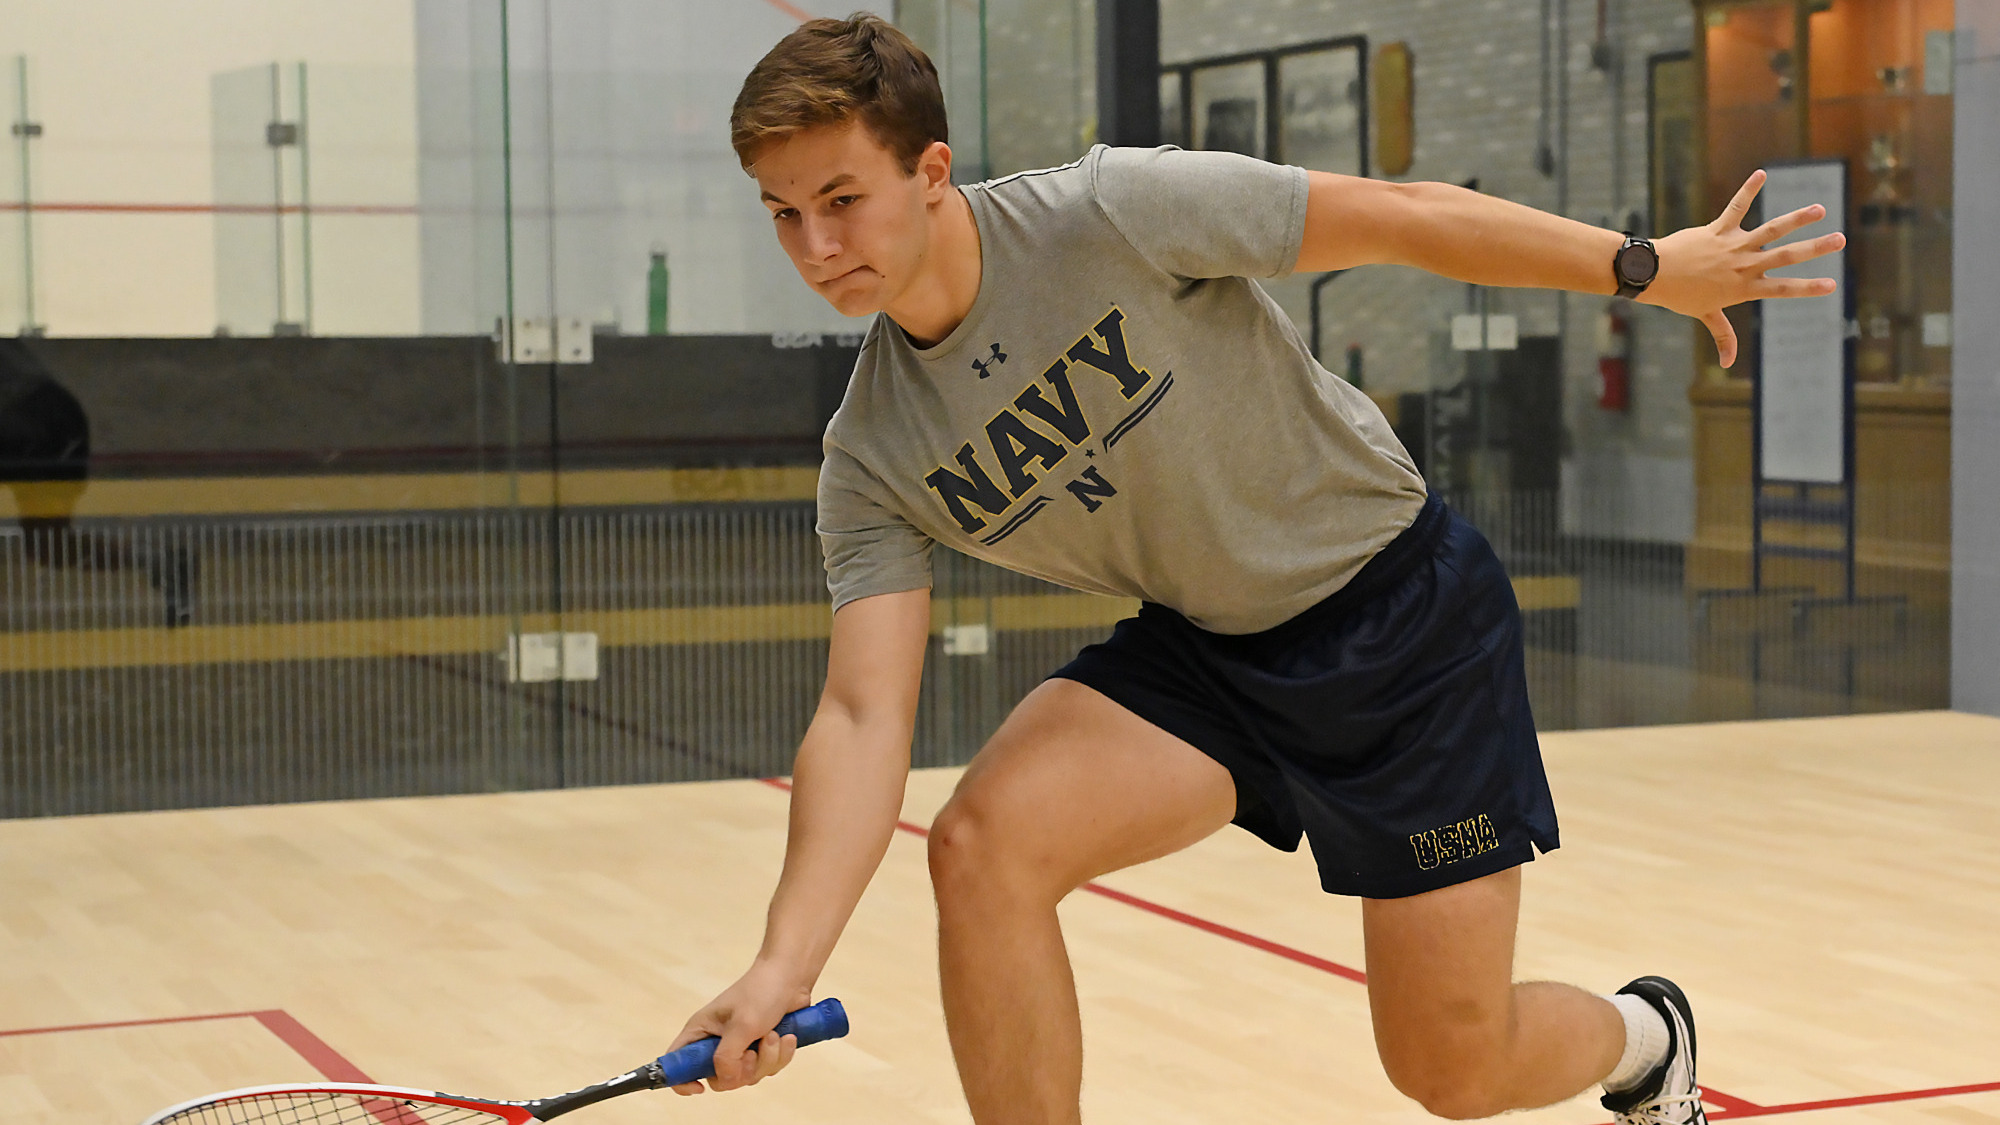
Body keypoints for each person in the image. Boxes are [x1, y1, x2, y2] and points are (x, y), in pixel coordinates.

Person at [666, 15, 1841, 1125]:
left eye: (840, 201)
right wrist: (784, 963)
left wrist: (1642, 269)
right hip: (1211, 649)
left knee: (1451, 1067)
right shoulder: (871, 452)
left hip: (1402, 621)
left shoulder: (1112, 209)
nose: (815, 248)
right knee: (982, 848)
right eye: (781, 214)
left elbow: (1402, 215)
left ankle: (1647, 1040)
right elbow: (865, 712)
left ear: (929, 171)